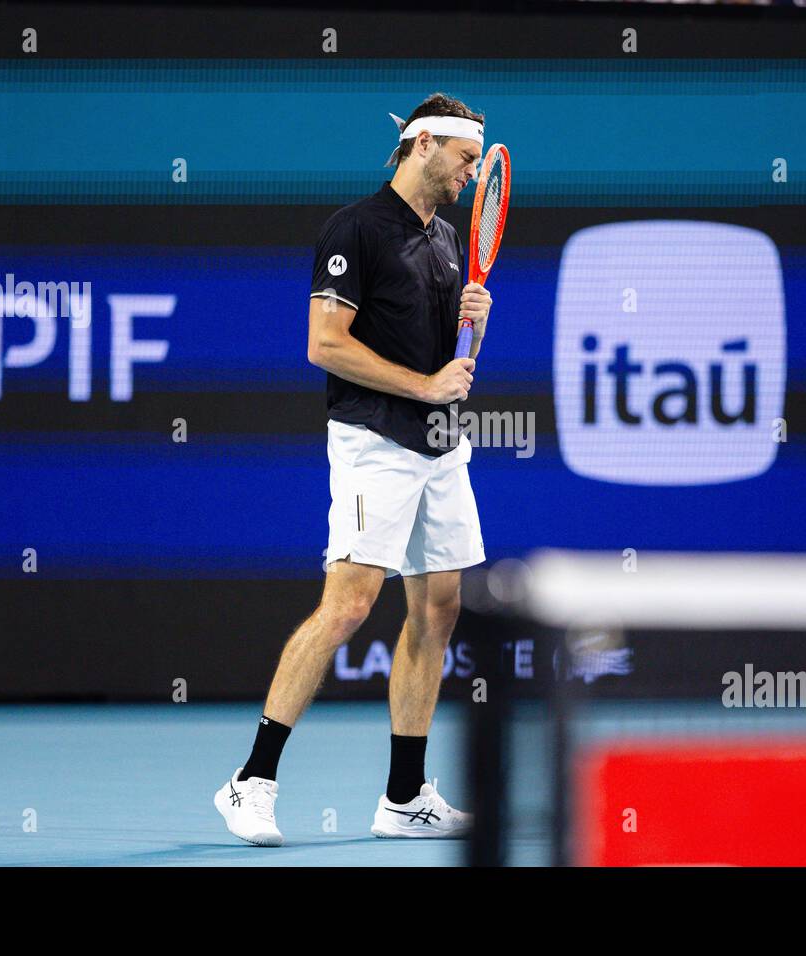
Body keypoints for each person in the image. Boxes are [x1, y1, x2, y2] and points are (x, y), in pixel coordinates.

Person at [214, 93, 492, 844]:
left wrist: (471, 338)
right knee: (347, 607)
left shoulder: (444, 242)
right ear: (424, 144)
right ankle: (251, 781)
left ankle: (405, 797)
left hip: (440, 448)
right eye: (466, 159)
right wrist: (429, 385)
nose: (472, 174)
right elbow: (326, 345)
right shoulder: (355, 228)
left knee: (438, 611)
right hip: (375, 443)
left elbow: (445, 368)